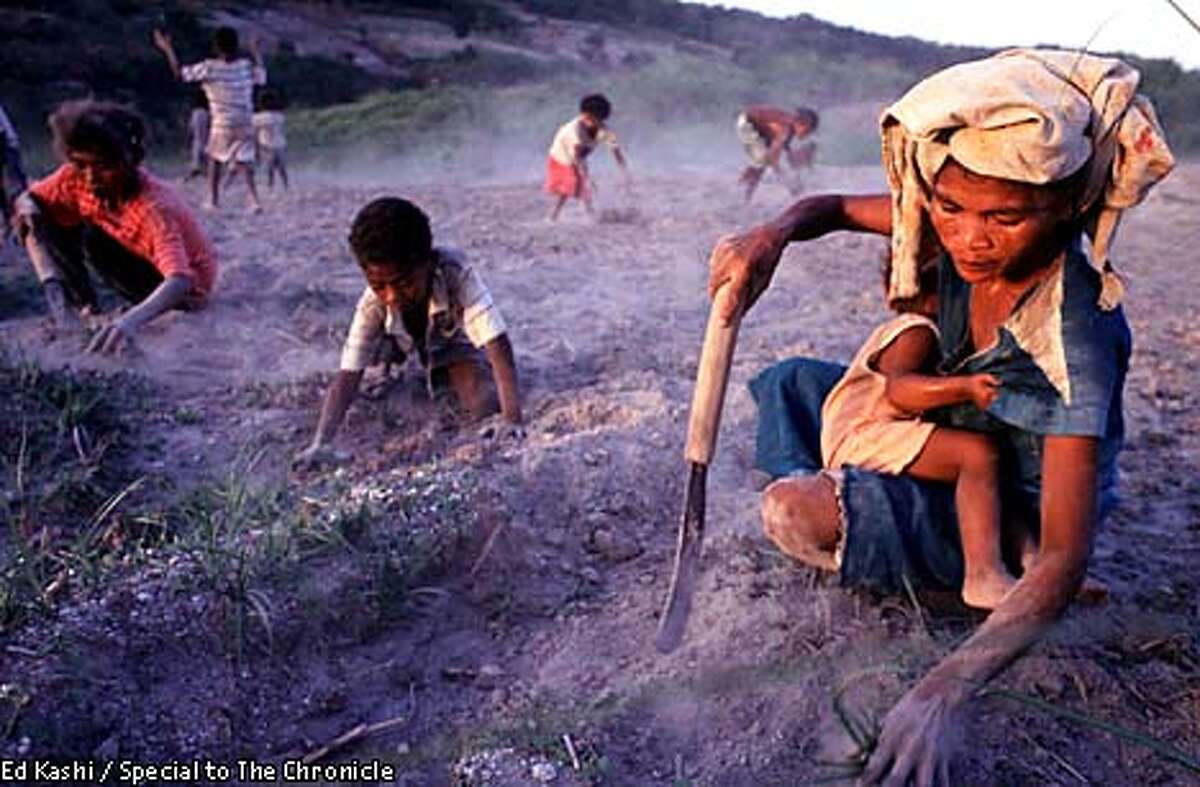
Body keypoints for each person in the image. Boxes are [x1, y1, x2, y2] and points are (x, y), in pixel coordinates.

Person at [706, 49, 1173, 784]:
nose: (967, 238)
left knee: (791, 510)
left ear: (1069, 203)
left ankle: (959, 580)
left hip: (1003, 499)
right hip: (952, 432)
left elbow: (1063, 553)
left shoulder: (1073, 329)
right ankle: (855, 493)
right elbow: (827, 209)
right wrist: (773, 234)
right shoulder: (954, 222)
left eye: (1004, 218)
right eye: (950, 210)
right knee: (794, 382)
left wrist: (943, 690)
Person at [820, 253, 1015, 609]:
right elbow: (900, 390)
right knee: (976, 455)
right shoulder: (918, 330)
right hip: (866, 433)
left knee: (993, 468)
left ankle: (1031, 557)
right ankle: (982, 574)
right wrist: (965, 388)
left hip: (875, 430)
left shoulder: (936, 336)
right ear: (932, 298)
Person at [294, 197, 521, 469]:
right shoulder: (373, 303)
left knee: (482, 400)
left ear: (429, 261)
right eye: (379, 285)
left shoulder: (454, 272)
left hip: (448, 342)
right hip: (396, 346)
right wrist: (321, 443)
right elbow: (348, 374)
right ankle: (389, 368)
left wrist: (511, 419)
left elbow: (496, 342)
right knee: (373, 367)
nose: (392, 296)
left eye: (404, 283)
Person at [11, 100, 218, 354]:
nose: (90, 176)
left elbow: (180, 280)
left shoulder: (153, 206)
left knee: (94, 240)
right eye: (81, 164)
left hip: (184, 292)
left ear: (129, 160)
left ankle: (137, 309)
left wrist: (128, 323)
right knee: (44, 215)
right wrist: (26, 208)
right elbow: (31, 197)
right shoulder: (74, 177)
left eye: (102, 166)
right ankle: (80, 306)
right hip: (141, 264)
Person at [153, 25, 266, 212]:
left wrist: (167, 49)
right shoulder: (245, 66)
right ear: (237, 46)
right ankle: (254, 200)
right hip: (246, 118)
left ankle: (213, 200)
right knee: (244, 161)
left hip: (222, 121)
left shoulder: (209, 68)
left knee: (214, 158)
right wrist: (255, 51)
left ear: (215, 48)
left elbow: (179, 74)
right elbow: (262, 77)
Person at [544, 94, 629, 222]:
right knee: (571, 184)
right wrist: (587, 177)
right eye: (595, 119)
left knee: (582, 184)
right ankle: (554, 216)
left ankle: (589, 213)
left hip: (579, 156)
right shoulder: (575, 130)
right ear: (585, 116)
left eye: (600, 120)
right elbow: (577, 157)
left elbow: (615, 150)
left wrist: (624, 171)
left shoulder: (603, 130)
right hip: (562, 156)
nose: (598, 123)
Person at [736, 104, 818, 202]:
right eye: (809, 130)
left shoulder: (789, 128)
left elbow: (784, 154)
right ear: (801, 124)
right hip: (748, 123)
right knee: (762, 161)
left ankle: (744, 192)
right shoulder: (785, 129)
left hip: (757, 125)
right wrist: (789, 184)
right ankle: (742, 193)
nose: (808, 134)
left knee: (762, 162)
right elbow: (773, 158)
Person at [0, 103, 29, 240]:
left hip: (6, 147)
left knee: (15, 193)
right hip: (7, 145)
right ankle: (9, 227)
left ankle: (20, 228)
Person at [252, 88, 289, 191]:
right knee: (279, 168)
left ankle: (272, 186)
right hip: (276, 144)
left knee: (271, 168)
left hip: (267, 145)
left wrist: (255, 149)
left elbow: (254, 135)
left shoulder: (257, 118)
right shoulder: (279, 116)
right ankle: (283, 186)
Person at [185, 91, 210, 182]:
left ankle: (196, 169)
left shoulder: (195, 112)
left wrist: (189, 135)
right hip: (204, 138)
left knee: (197, 149)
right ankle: (202, 170)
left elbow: (192, 127)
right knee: (203, 149)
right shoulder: (206, 112)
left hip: (198, 139)